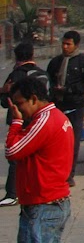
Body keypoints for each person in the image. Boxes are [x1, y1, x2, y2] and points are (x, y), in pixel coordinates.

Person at [7, 73, 74, 243]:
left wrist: (16, 123)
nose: (18, 110)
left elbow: (13, 151)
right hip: (55, 202)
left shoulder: (44, 120)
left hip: (42, 205)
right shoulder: (58, 117)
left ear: (34, 99)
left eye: (20, 104)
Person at [1, 43, 50, 208]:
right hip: (38, 119)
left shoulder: (15, 75)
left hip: (21, 121)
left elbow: (5, 102)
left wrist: (4, 92)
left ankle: (12, 194)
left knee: (16, 156)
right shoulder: (41, 73)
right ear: (32, 54)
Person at [46, 30, 84, 186]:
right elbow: (48, 81)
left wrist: (70, 89)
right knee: (55, 143)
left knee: (72, 142)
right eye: (63, 44)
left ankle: (69, 174)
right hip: (57, 107)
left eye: (68, 44)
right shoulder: (55, 62)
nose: (65, 47)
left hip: (75, 107)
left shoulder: (83, 63)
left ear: (76, 45)